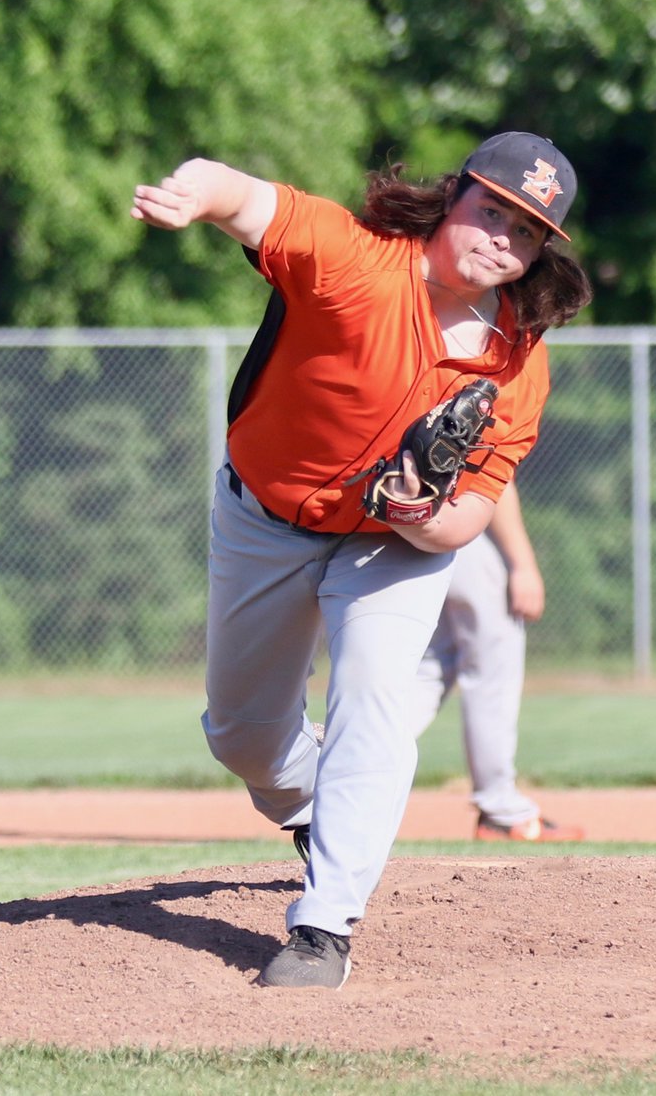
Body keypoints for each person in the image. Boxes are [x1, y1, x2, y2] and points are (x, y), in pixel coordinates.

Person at [131, 132, 592, 990]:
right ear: (453, 197)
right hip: (264, 520)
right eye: (493, 210)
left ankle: (323, 928)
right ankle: (319, 808)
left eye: (527, 231)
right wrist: (192, 192)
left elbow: (471, 514)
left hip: (391, 548)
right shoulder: (353, 259)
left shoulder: (517, 362)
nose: (503, 238)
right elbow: (242, 194)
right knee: (241, 737)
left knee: (372, 709)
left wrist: (422, 515)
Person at [408, 481, 586, 842]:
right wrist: (523, 565)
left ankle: (335, 765)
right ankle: (501, 809)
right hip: (463, 527)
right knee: (492, 668)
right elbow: (494, 479)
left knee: (431, 667)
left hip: (407, 521)